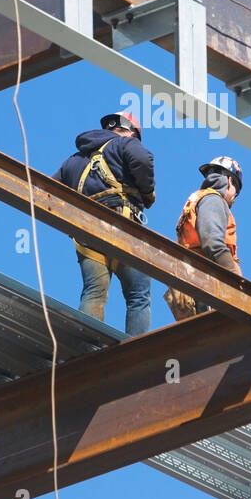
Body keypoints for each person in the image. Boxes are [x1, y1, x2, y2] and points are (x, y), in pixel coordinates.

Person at [55, 111, 156, 335]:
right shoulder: (125, 144)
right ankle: (136, 349)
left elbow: (49, 193)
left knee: (93, 291)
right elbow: (142, 160)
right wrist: (147, 191)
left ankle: (87, 345)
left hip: (87, 234)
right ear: (132, 132)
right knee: (138, 296)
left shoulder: (74, 160)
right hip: (122, 227)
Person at [166, 156, 244, 320]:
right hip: (207, 281)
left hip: (194, 279)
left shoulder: (201, 199)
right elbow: (212, 243)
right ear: (229, 181)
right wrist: (236, 282)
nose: (235, 198)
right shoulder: (214, 200)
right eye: (236, 189)